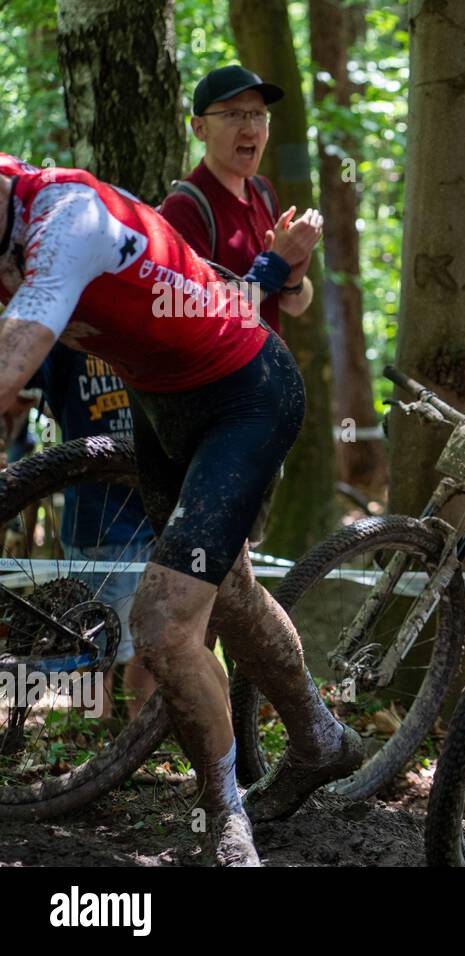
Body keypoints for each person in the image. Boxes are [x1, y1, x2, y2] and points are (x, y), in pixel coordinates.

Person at [0, 153, 359, 866]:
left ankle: (225, 816)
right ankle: (320, 740)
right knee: (230, 596)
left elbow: (15, 358)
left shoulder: (65, 216)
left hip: (246, 394)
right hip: (162, 405)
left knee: (163, 626)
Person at [27, 345, 159, 718]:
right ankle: (88, 748)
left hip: (162, 510)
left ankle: (137, 742)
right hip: (98, 520)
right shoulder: (65, 331)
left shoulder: (152, 315)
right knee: (92, 651)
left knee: (157, 644)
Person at [158, 65, 321, 335]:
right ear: (199, 128)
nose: (250, 129)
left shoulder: (264, 192)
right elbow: (198, 314)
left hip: (268, 375)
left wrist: (292, 278)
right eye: (233, 115)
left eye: (258, 115)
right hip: (221, 377)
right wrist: (276, 264)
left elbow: (296, 305)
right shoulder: (185, 208)